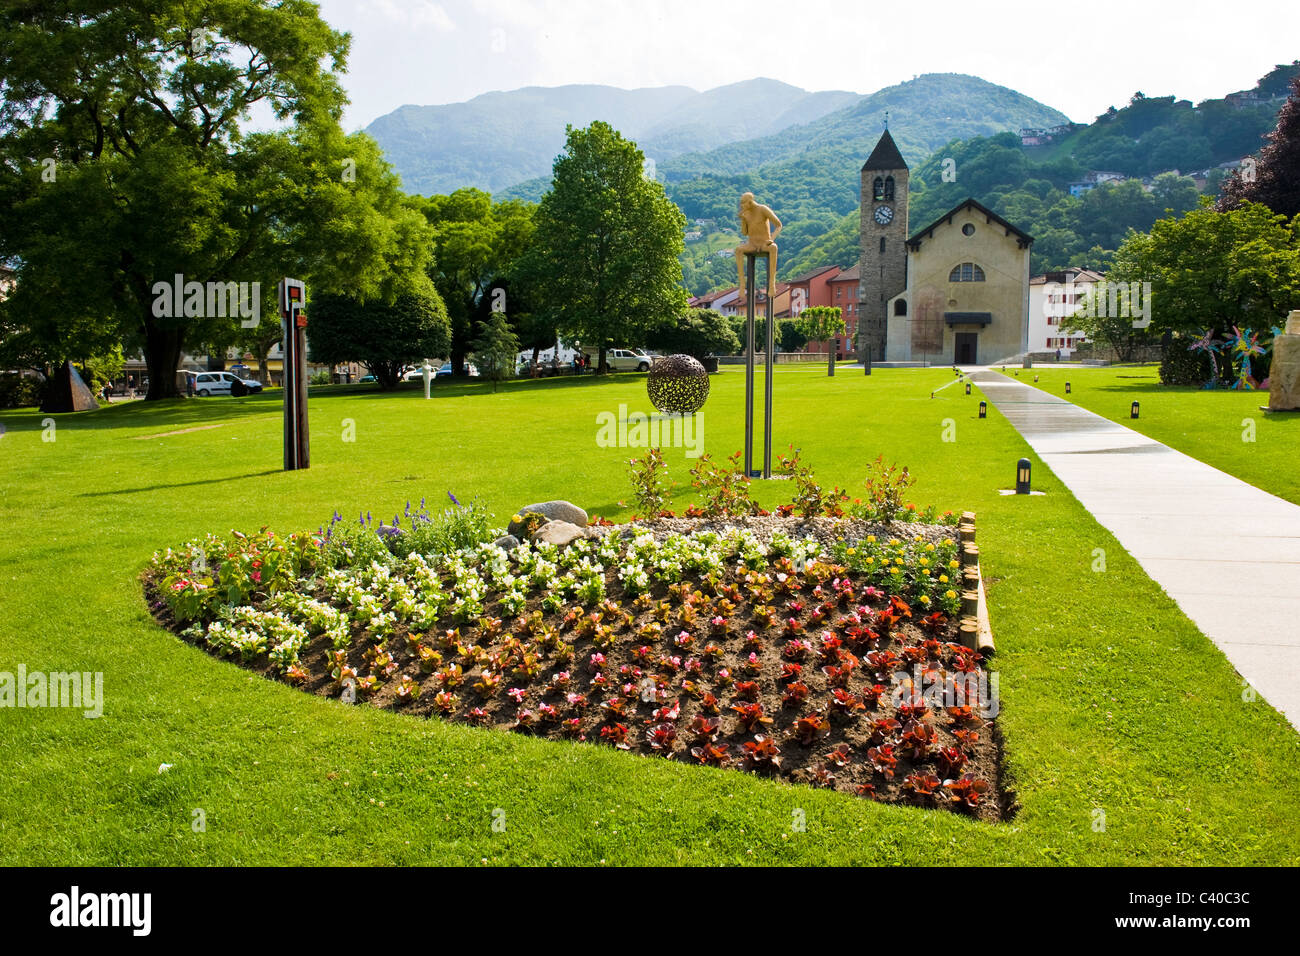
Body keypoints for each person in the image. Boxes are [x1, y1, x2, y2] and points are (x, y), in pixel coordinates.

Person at [734, 192, 782, 298]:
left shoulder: (763, 209)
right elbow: (744, 232)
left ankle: (772, 284)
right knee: (738, 250)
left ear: (750, 202)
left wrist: (771, 239)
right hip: (752, 244)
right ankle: (742, 285)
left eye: (743, 203)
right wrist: (743, 220)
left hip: (764, 242)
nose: (741, 206)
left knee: (774, 248)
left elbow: (778, 225)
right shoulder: (746, 213)